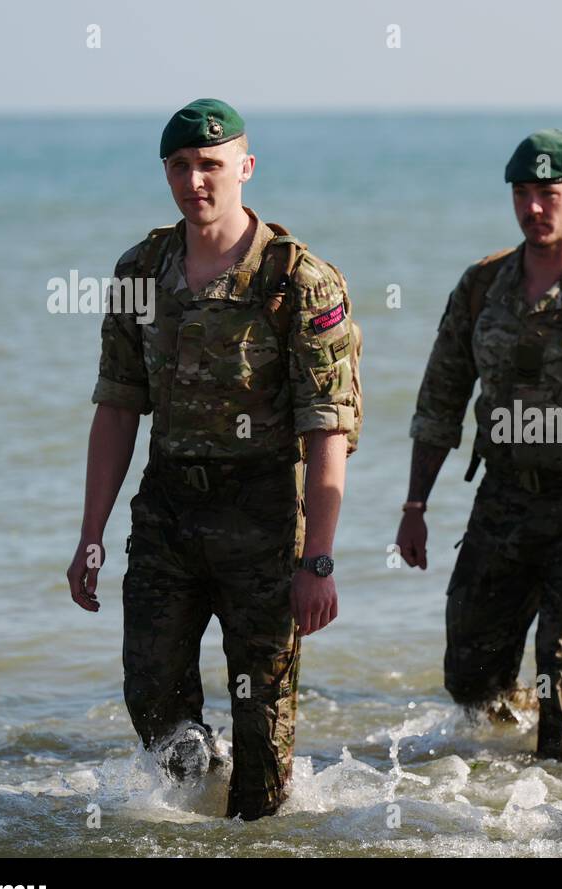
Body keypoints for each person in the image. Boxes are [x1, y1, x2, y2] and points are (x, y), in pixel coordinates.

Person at [66, 98, 364, 820]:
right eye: (180, 166)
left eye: (211, 166)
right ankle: (193, 807)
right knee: (153, 692)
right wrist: (91, 534)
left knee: (263, 730)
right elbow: (116, 403)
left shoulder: (299, 281)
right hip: (167, 508)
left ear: (245, 168)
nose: (195, 181)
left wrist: (316, 559)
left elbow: (327, 428)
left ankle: (255, 829)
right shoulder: (141, 269)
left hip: (261, 514)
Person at [399, 129, 562, 759]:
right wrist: (415, 507)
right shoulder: (482, 285)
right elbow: (440, 397)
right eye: (522, 193)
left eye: (549, 193)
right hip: (502, 498)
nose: (534, 207)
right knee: (470, 676)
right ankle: (492, 788)